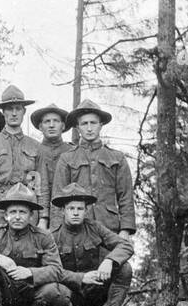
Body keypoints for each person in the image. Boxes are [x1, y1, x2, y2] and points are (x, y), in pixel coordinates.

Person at [0, 182, 69, 306]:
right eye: (13, 212)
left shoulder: (43, 236)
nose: (18, 217)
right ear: (6, 215)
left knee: (54, 290)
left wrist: (29, 272)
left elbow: (56, 269)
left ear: (31, 215)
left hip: (31, 292)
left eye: (23, 212)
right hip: (3, 291)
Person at [50, 182, 134, 306]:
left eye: (80, 209)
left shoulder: (95, 227)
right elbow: (49, 271)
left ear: (86, 210)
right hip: (67, 297)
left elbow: (125, 246)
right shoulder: (52, 236)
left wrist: (109, 261)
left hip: (94, 293)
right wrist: (80, 278)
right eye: (71, 209)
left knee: (125, 268)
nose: (75, 213)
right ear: (63, 211)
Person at [52, 98, 136, 235]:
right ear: (78, 128)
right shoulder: (66, 158)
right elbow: (57, 200)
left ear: (101, 125)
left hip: (110, 227)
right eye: (84, 124)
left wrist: (125, 230)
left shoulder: (117, 158)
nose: (89, 128)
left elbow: (125, 196)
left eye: (93, 123)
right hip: (77, 231)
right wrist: (57, 233)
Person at [0, 85, 43, 227]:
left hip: (27, 205)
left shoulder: (35, 146)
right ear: (3, 112)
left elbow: (41, 186)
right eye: (10, 109)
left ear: (24, 112)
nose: (14, 113)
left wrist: (43, 217)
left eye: (18, 109)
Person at [31, 103, 74, 230]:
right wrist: (43, 217)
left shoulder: (72, 151)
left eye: (56, 121)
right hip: (37, 215)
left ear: (63, 126)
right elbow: (36, 187)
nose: (51, 125)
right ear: (40, 126)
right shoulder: (34, 151)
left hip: (67, 214)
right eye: (46, 121)